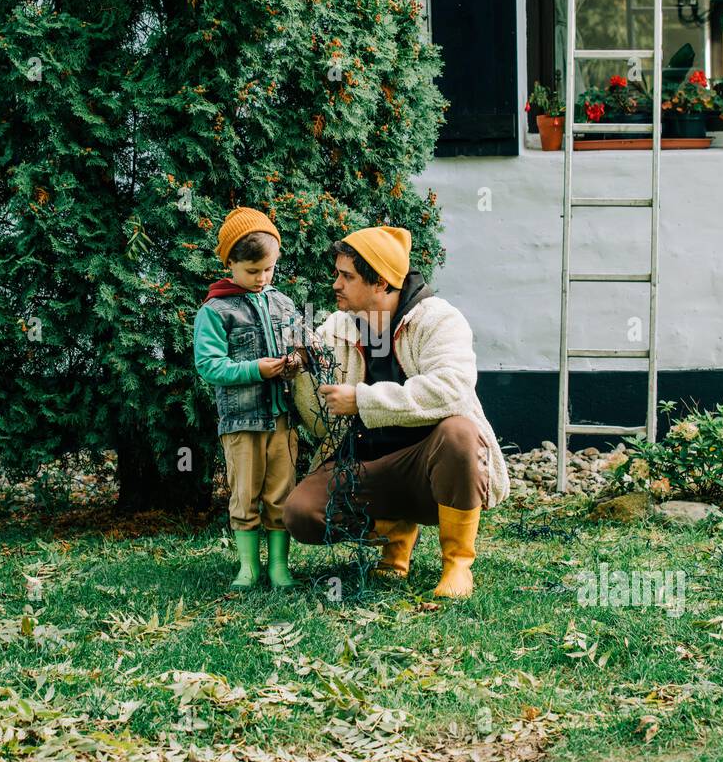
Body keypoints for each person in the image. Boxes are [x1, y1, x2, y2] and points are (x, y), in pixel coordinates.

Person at [285, 226, 510, 599]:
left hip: (428, 467)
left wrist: (363, 399)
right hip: (367, 463)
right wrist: (303, 367)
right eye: (337, 273)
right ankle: (396, 532)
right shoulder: (338, 326)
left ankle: (457, 564)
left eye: (347, 276)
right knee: (301, 514)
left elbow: (453, 390)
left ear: (382, 283)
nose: (335, 284)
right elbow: (317, 420)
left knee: (460, 434)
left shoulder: (438, 320)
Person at [193, 207, 306, 589]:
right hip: (242, 421)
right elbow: (209, 366)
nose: (261, 279)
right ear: (230, 263)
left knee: (281, 493)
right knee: (245, 494)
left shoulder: (284, 304)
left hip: (281, 419)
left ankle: (278, 566)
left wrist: (296, 360)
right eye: (252, 271)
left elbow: (303, 345)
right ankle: (248, 566)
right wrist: (255, 369)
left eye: (269, 270)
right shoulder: (215, 310)